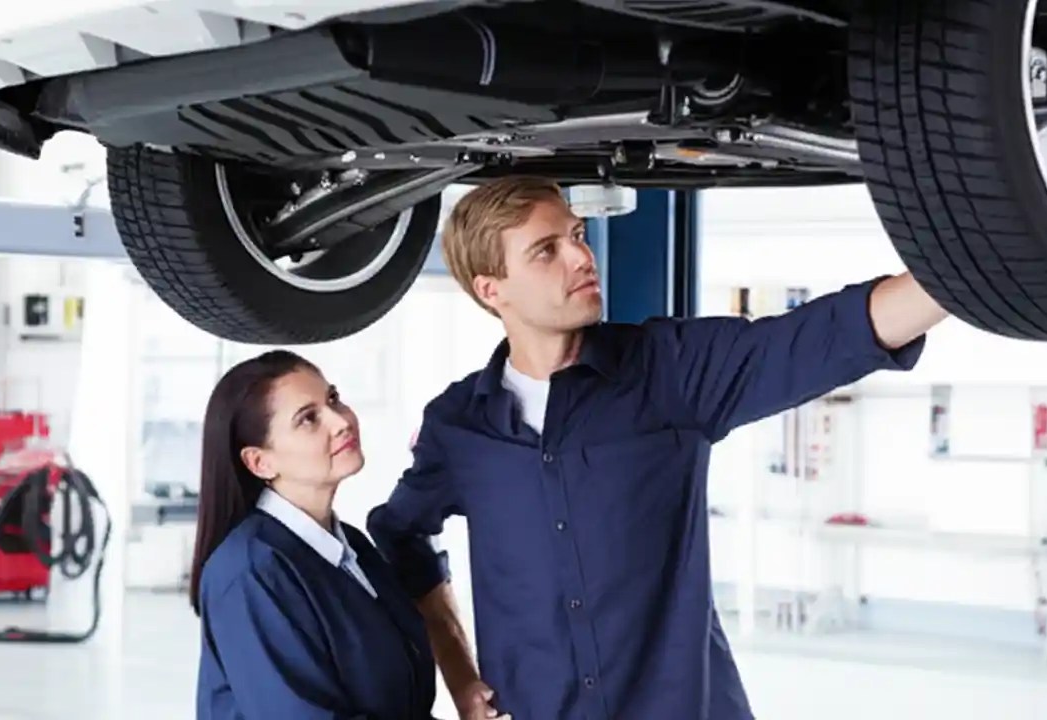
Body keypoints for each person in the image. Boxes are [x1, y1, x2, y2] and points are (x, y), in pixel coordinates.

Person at [366, 176, 950, 720]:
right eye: (546, 251)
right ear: (493, 290)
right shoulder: (459, 427)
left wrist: (974, 271)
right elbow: (400, 533)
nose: (581, 256)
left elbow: (824, 336)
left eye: (576, 235)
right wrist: (459, 672)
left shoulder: (670, 371)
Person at [191, 350, 456, 720]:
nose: (341, 420)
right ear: (260, 462)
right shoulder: (250, 572)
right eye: (308, 419)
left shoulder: (352, 547)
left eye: (333, 399)